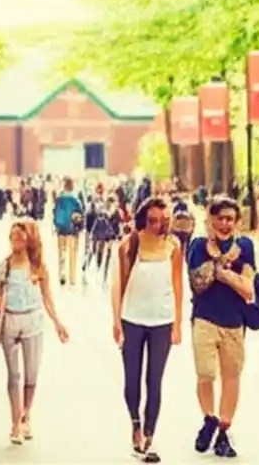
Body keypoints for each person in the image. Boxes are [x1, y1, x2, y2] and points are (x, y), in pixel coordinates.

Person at [112, 197, 183, 464]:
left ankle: (150, 436)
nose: (159, 226)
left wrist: (177, 324)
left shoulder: (174, 246)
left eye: (164, 220)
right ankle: (136, 423)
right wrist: (116, 320)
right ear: (144, 219)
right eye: (153, 220)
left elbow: (177, 285)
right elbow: (118, 283)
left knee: (155, 380)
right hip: (132, 318)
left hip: (161, 321)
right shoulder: (130, 244)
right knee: (132, 379)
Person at [0, 219, 70, 443]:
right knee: (13, 375)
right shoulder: (3, 266)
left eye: (21, 236)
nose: (16, 240)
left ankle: (26, 414)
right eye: (13, 235)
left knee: (31, 374)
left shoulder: (38, 267)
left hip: (33, 321)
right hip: (10, 321)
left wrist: (58, 323)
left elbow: (47, 297)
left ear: (30, 239)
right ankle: (15, 422)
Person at [187, 196, 256, 459]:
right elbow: (198, 284)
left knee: (231, 376)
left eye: (230, 219)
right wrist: (221, 261)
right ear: (210, 220)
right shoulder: (197, 246)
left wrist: (223, 269)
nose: (225, 224)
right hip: (205, 319)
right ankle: (209, 418)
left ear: (237, 222)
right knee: (205, 373)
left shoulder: (246, 247)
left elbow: (247, 289)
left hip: (234, 323)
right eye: (220, 218)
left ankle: (224, 431)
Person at [53, 178, 83, 287]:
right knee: (73, 255)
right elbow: (80, 216)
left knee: (61, 254)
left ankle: (62, 275)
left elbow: (55, 214)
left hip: (61, 230)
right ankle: (72, 278)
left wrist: (56, 226)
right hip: (73, 231)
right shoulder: (76, 201)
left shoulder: (59, 200)